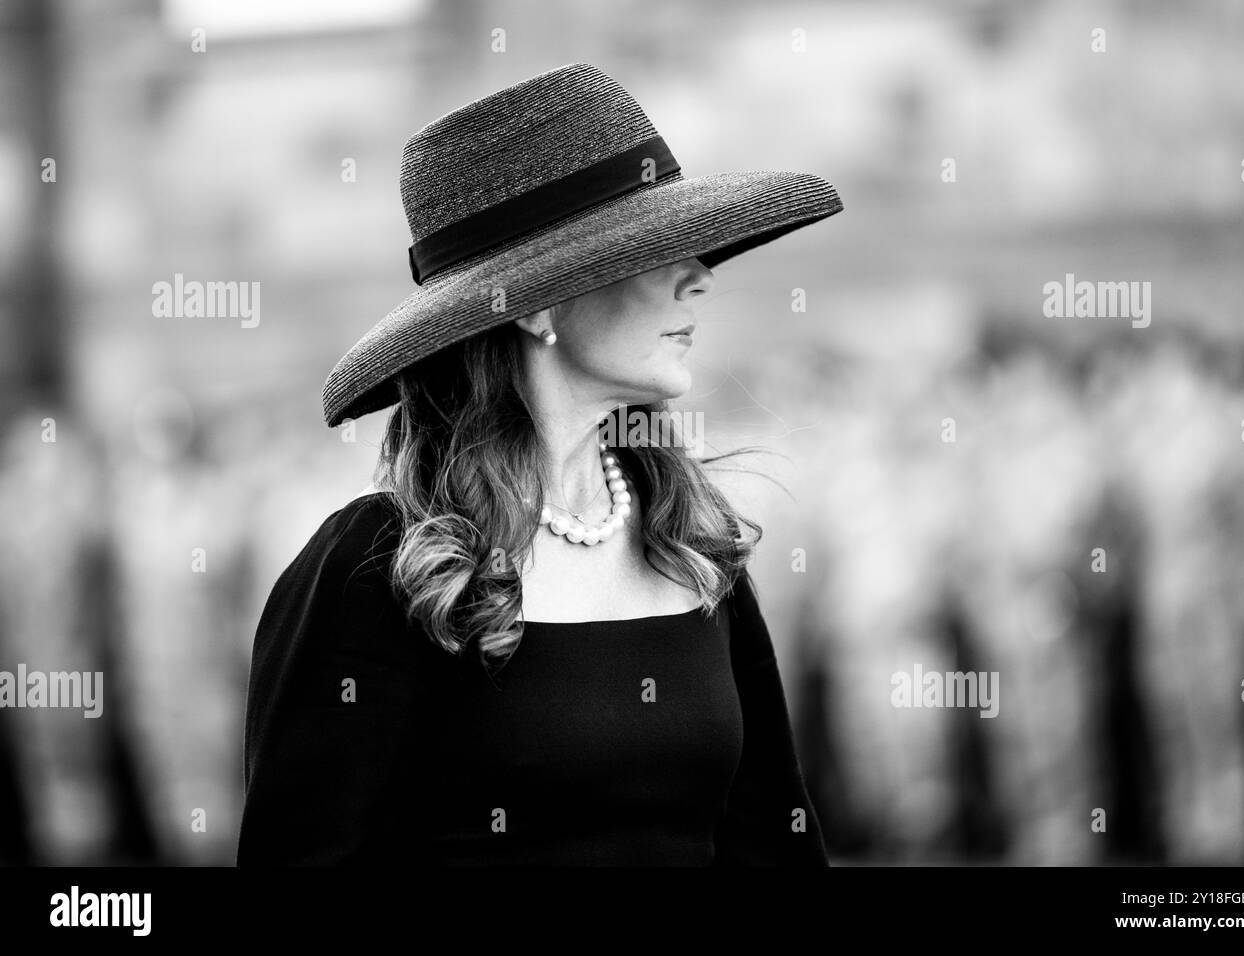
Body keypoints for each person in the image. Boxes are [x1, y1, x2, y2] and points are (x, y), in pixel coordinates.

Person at [236, 62, 844, 865]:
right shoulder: (377, 569)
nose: (700, 276)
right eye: (656, 250)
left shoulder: (694, 543)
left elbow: (774, 843)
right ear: (541, 305)